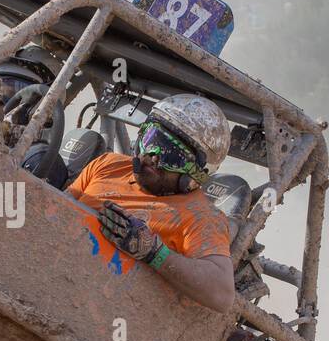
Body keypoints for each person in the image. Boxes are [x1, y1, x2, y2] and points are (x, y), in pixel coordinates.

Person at [67, 94, 235, 313]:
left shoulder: (203, 218)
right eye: (152, 141)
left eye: (172, 155)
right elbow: (57, 205)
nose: (154, 156)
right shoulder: (107, 165)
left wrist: (154, 253)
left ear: (197, 174)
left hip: (109, 310)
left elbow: (222, 295)